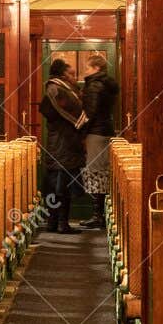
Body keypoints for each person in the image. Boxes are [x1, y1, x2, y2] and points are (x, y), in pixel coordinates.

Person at [38, 58, 87, 233]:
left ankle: (54, 222)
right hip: (63, 144)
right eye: (72, 74)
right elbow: (75, 112)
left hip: (61, 143)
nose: (75, 77)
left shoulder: (58, 89)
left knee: (57, 185)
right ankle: (61, 224)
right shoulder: (58, 90)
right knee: (61, 186)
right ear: (63, 75)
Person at [78, 54, 118, 229]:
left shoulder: (94, 85)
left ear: (96, 68)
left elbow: (91, 112)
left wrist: (82, 133)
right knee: (101, 171)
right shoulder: (108, 85)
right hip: (105, 130)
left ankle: (97, 216)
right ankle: (99, 214)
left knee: (95, 172)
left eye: (88, 68)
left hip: (96, 132)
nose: (85, 71)